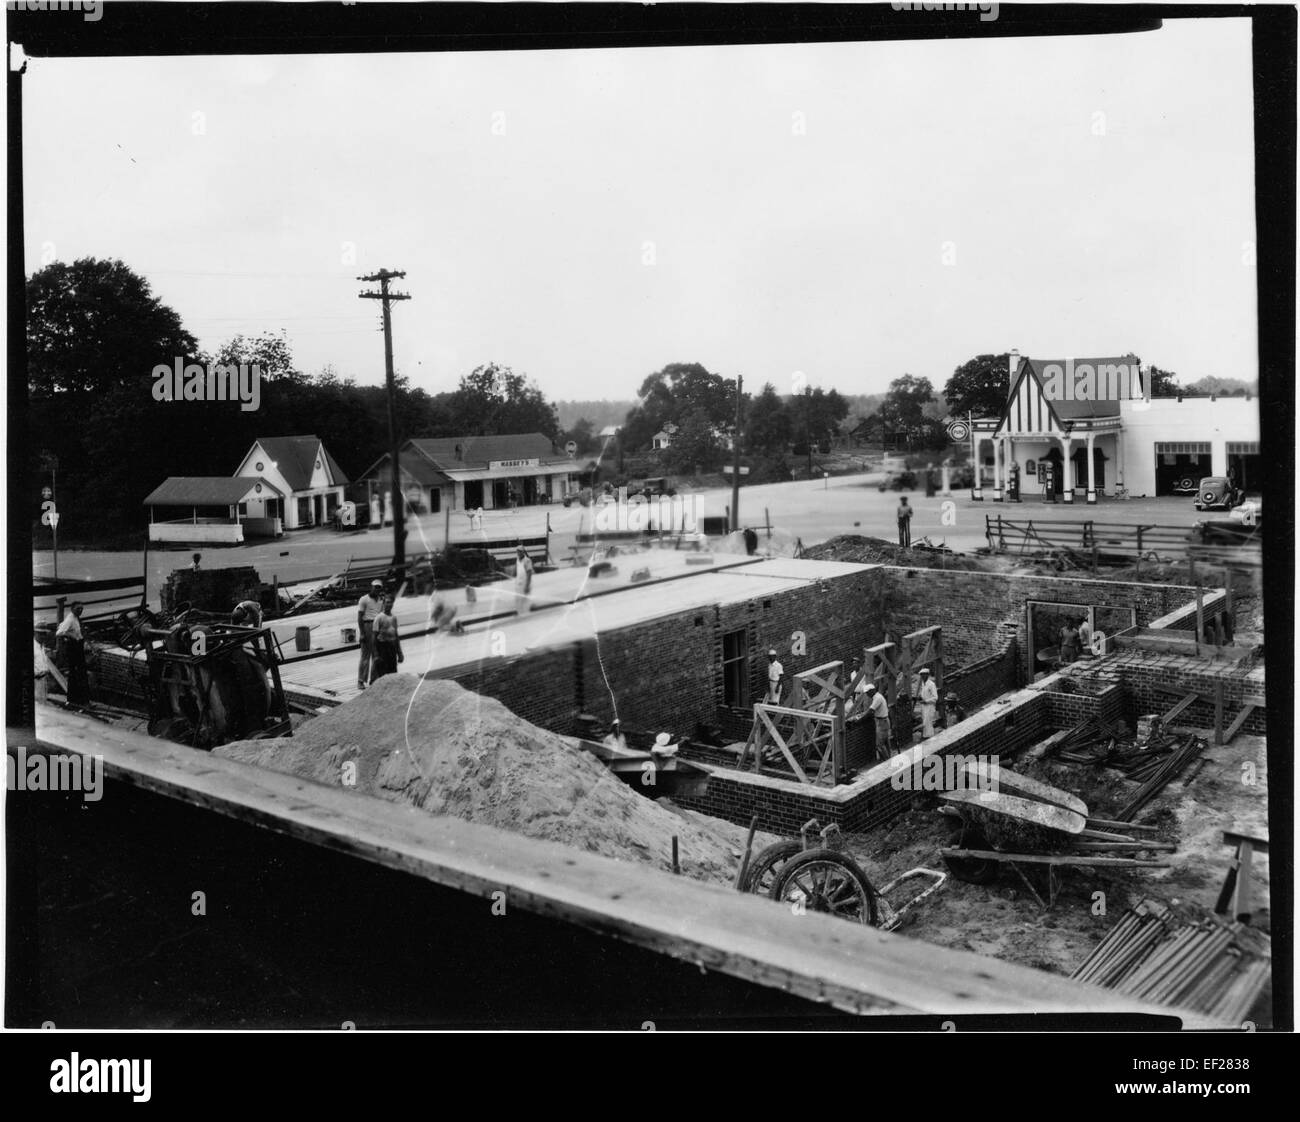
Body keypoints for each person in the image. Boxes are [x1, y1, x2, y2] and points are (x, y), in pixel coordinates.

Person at [55, 602, 90, 705]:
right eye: (78, 609)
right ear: (72, 609)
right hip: (74, 647)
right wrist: (69, 635)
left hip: (78, 646)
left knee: (81, 672)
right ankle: (74, 699)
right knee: (75, 672)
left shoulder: (75, 618)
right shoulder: (70, 619)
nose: (80, 611)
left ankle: (81, 699)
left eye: (81, 609)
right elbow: (59, 632)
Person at [356, 579, 385, 689]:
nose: (377, 589)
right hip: (367, 625)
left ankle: (374, 680)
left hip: (377, 626)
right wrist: (362, 633)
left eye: (379, 588)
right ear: (371, 587)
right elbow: (359, 617)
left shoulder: (382, 600)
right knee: (365, 656)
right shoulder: (364, 599)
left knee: (377, 655)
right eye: (375, 587)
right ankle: (360, 680)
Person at [370, 596, 403, 681]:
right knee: (383, 674)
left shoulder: (394, 618)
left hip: (392, 648)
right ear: (383, 604)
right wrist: (376, 654)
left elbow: (396, 636)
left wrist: (399, 653)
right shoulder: (379, 618)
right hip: (382, 648)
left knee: (393, 672)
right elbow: (374, 637)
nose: (389, 604)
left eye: (391, 602)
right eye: (387, 602)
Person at [864, 683, 891, 759]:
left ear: (872, 690)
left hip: (882, 722)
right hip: (883, 721)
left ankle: (887, 761)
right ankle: (888, 758)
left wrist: (860, 719)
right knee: (885, 742)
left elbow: (870, 711)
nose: (867, 695)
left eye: (867, 693)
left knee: (879, 745)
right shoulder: (877, 697)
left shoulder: (877, 698)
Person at [917, 667, 939, 739]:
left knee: (928, 723)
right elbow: (924, 694)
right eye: (921, 675)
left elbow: (935, 697)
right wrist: (920, 697)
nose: (922, 676)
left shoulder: (931, 684)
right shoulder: (923, 684)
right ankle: (925, 737)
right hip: (924, 707)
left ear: (927, 675)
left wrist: (926, 701)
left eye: (924, 675)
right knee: (925, 723)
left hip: (930, 706)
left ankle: (929, 738)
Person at [514, 545, 534, 614]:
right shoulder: (517, 560)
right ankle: (520, 613)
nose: (518, 553)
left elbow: (529, 574)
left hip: (525, 584)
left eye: (520, 552)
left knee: (525, 601)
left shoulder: (527, 561)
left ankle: (526, 615)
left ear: (523, 552)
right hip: (519, 584)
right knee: (518, 600)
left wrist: (527, 586)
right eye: (517, 552)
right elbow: (517, 571)